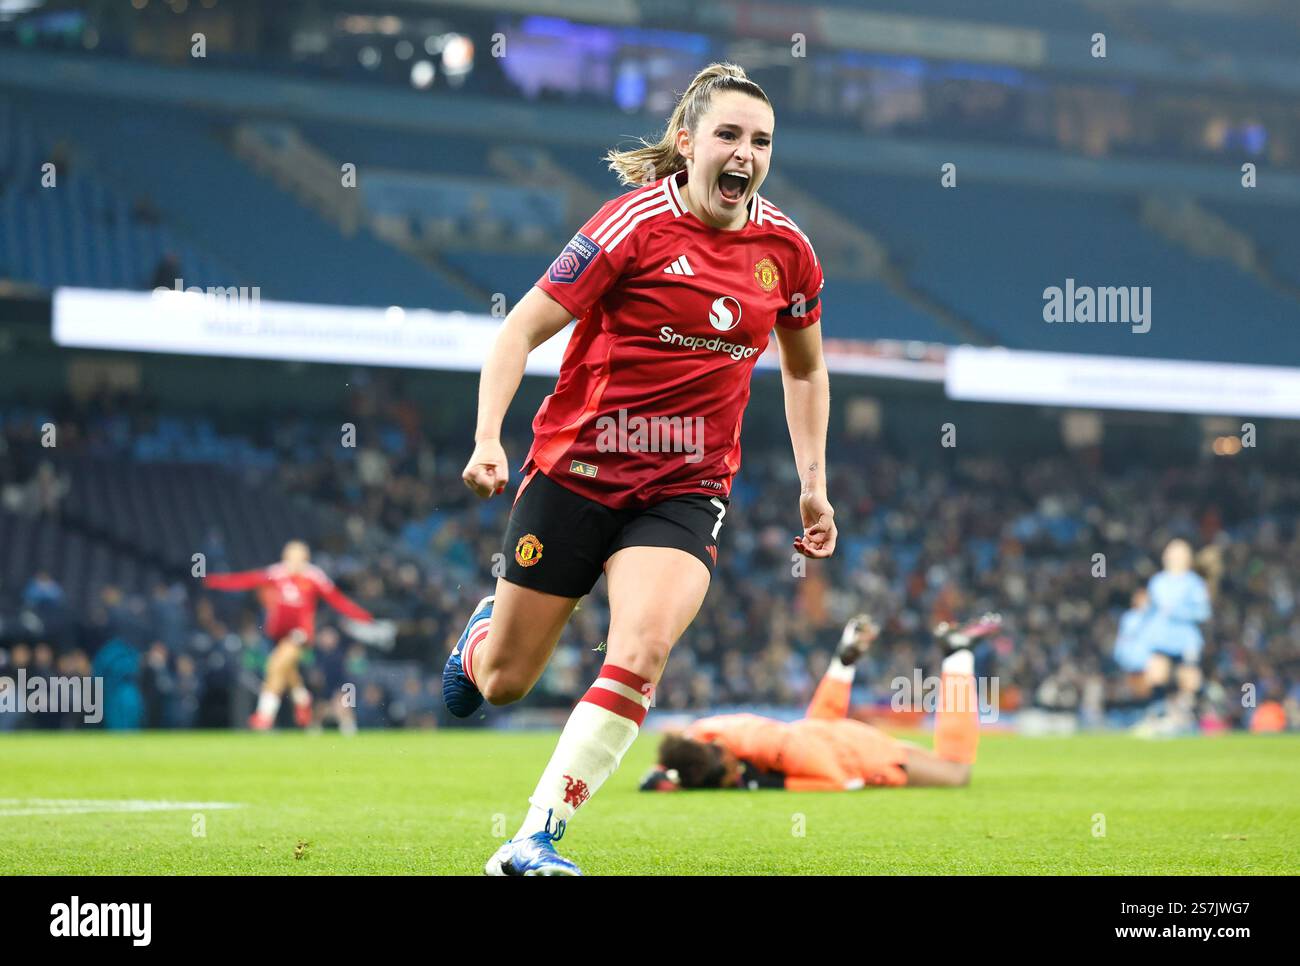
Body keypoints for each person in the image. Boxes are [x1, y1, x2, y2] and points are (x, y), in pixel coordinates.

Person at [444, 62, 835, 875]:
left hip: (686, 488)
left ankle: (534, 837)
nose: (746, 153)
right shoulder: (630, 227)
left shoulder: (787, 252)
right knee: (507, 682)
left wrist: (812, 482)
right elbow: (517, 332)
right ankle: (482, 636)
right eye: (729, 134)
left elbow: (803, 369)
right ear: (687, 142)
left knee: (643, 647)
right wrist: (489, 438)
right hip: (575, 473)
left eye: (761, 141)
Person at [642, 614, 996, 792]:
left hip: (856, 752)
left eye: (731, 774)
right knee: (815, 727)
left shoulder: (767, 747)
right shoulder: (702, 735)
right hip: (819, 732)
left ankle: (958, 656)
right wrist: (664, 777)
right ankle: (842, 664)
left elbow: (834, 776)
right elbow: (672, 762)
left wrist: (771, 785)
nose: (735, 775)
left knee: (955, 773)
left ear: (724, 755)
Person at [204, 540, 373, 730]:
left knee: (275, 665)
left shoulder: (314, 576)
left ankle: (264, 715)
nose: (294, 561)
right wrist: (214, 580)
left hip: (300, 634)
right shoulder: (277, 573)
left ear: (306, 558)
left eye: (299, 556)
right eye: (291, 556)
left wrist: (363, 616)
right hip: (278, 634)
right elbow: (247, 580)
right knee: (287, 670)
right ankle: (302, 698)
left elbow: (336, 599)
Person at [1134, 539, 1212, 736]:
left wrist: (1178, 611)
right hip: (1161, 638)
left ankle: (1190, 717)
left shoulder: (1194, 583)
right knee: (1156, 674)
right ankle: (1157, 717)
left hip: (1185, 639)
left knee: (1189, 679)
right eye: (1170, 553)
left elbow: (1203, 612)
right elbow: (1151, 612)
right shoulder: (1157, 581)